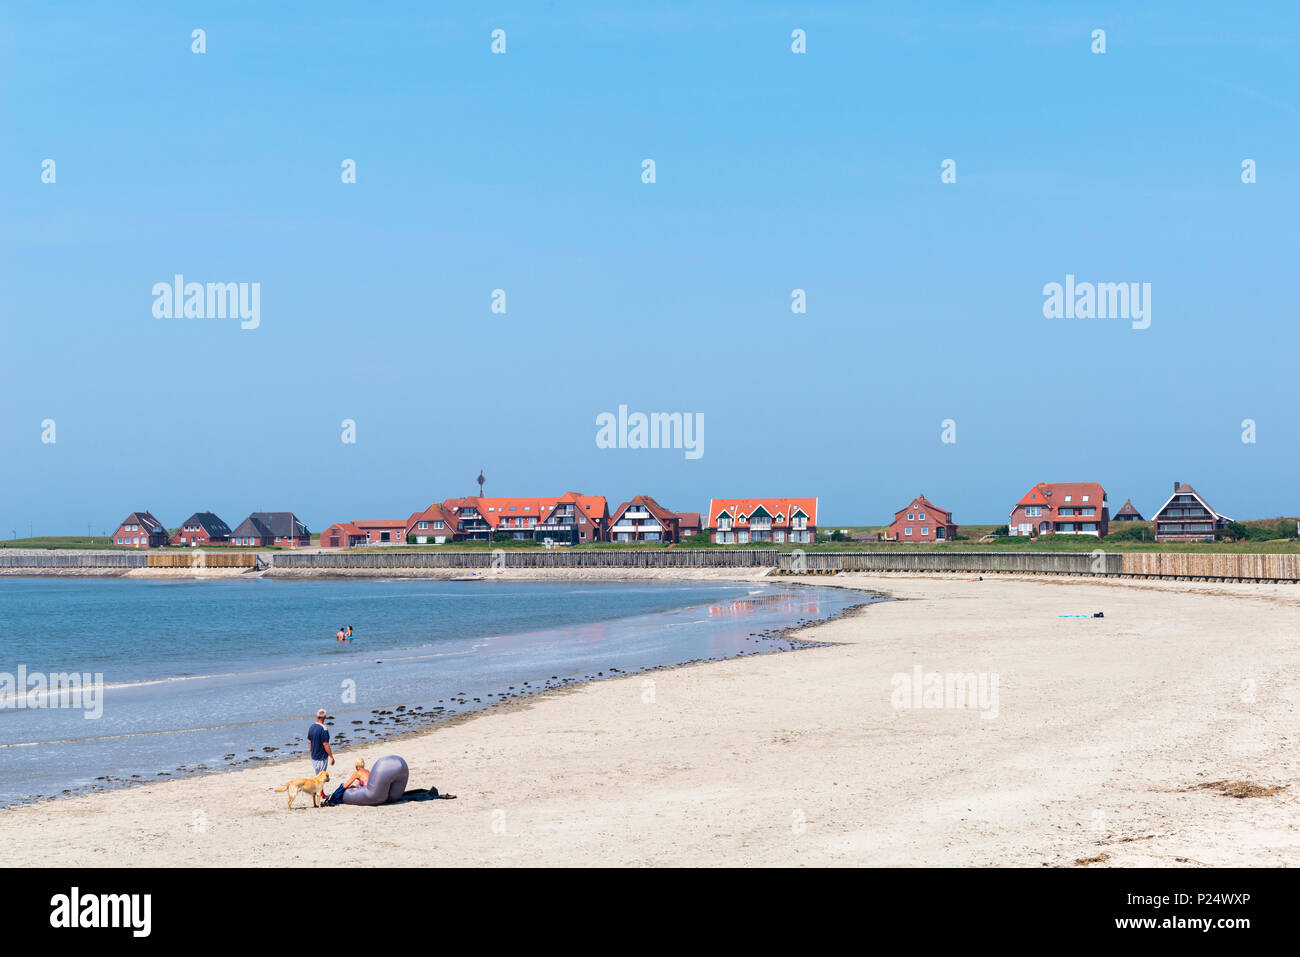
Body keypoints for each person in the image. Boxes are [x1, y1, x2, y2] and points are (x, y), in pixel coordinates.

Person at [308, 708, 334, 776]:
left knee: (318, 775)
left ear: (317, 716)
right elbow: (325, 744)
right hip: (321, 757)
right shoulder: (323, 729)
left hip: (314, 756)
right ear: (325, 717)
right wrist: (331, 756)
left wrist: (311, 752)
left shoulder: (312, 727)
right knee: (321, 777)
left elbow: (309, 742)